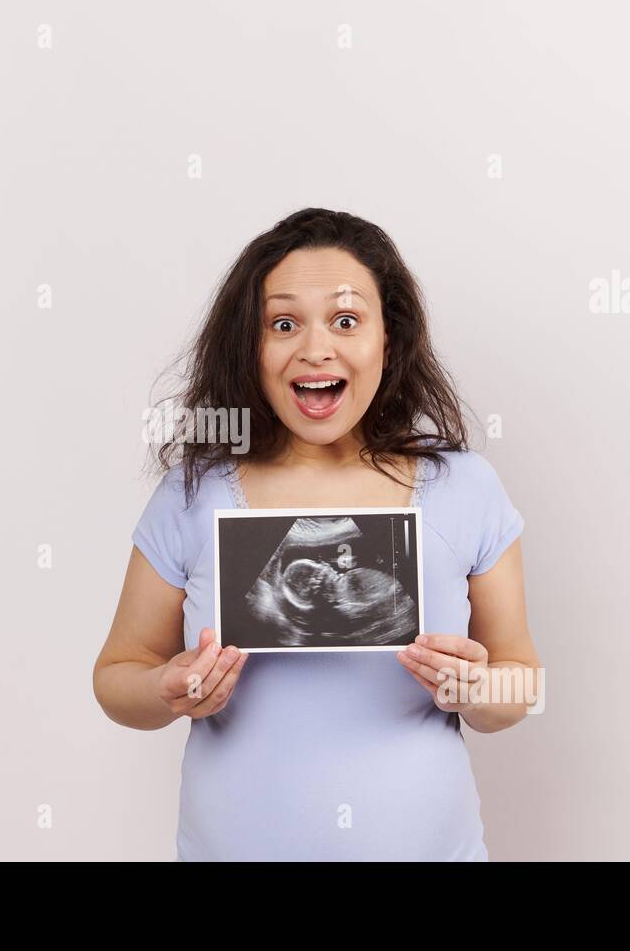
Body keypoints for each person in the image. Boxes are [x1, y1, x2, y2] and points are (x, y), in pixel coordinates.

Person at [92, 208, 541, 861]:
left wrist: (481, 690)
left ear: (389, 340)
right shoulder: (193, 495)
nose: (315, 348)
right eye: (283, 324)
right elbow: (116, 676)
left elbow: (522, 681)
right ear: (253, 346)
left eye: (346, 320)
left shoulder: (466, 488)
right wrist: (167, 688)